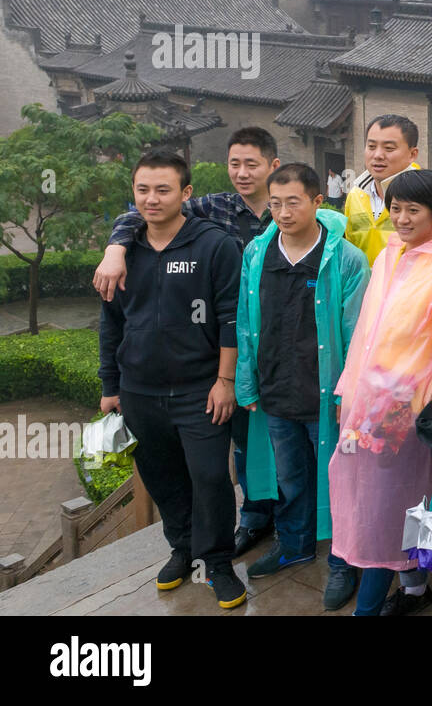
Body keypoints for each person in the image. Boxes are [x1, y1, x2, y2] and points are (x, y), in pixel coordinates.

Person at [93, 126, 282, 559]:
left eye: (251, 163)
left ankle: (283, 530)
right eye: (234, 162)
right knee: (200, 459)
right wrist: (116, 247)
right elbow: (144, 212)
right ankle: (238, 526)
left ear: (273, 165)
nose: (240, 172)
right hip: (169, 381)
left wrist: (225, 378)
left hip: (261, 351)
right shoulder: (212, 208)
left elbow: (226, 312)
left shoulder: (291, 205)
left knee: (263, 448)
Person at [98, 150, 247, 609]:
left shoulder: (214, 245)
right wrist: (110, 386)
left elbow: (229, 319)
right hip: (139, 391)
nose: (152, 199)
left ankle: (217, 562)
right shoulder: (124, 253)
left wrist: (225, 381)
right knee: (162, 478)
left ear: (185, 193)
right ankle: (182, 550)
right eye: (143, 190)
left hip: (199, 390)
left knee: (209, 478)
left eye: (163, 190)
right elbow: (111, 323)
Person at [329, 169, 432, 616]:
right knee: (362, 491)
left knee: (385, 504)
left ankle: (368, 605)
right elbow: (365, 332)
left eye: (414, 210)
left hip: (401, 409)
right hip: (363, 400)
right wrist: (345, 392)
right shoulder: (388, 255)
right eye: (396, 209)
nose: (403, 219)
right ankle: (412, 586)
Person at [234, 164, 371, 611]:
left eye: (293, 202)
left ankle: (343, 560)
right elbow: (244, 321)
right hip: (276, 391)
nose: (283, 212)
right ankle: (293, 544)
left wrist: (346, 392)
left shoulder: (345, 258)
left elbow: (356, 334)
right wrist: (246, 381)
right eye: (275, 204)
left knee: (341, 480)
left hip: (326, 393)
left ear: (317, 201)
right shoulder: (257, 252)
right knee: (289, 478)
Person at [344, 114, 432, 266]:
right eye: (371, 146)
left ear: (412, 154)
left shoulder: (427, 193)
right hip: (367, 288)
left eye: (389, 148)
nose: (378, 155)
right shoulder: (356, 194)